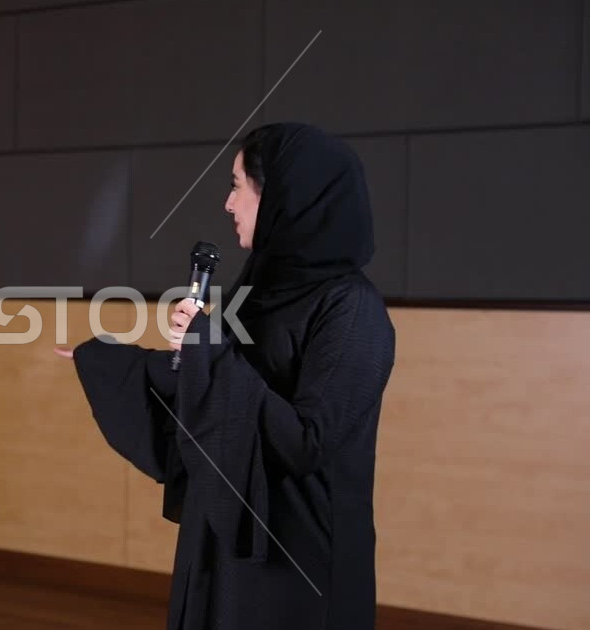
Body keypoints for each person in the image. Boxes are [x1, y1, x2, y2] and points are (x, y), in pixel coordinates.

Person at [55, 122, 396, 629]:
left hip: (298, 553)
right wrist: (120, 364)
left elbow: (306, 441)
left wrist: (207, 348)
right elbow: (223, 380)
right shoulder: (258, 290)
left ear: (284, 197)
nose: (228, 203)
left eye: (238, 186)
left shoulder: (352, 309)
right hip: (228, 530)